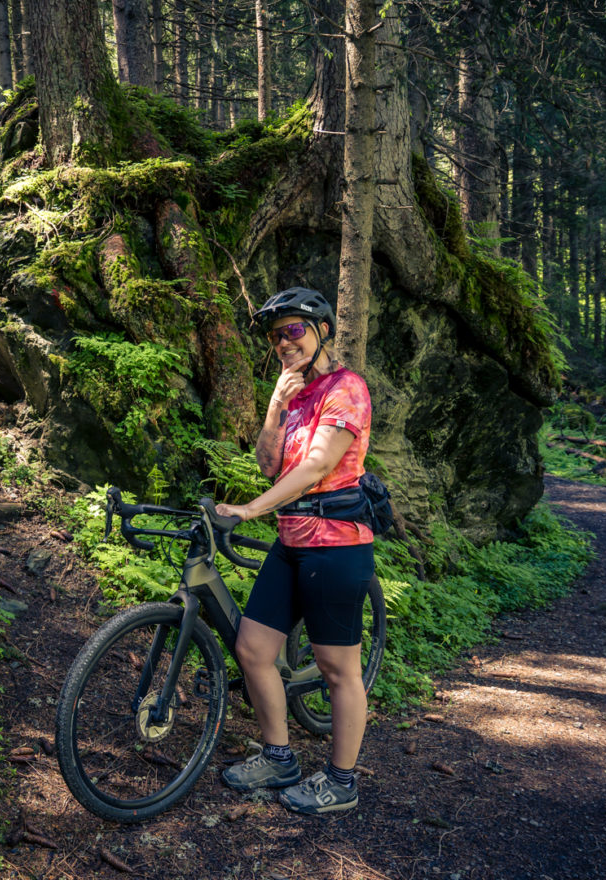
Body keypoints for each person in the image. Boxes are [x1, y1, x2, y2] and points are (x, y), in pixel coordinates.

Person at [211, 286, 375, 815]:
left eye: (294, 330)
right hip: (291, 543)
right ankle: (279, 756)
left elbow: (317, 466)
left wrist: (250, 510)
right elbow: (268, 463)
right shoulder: (297, 395)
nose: (284, 341)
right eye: (276, 334)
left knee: (336, 669)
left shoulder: (346, 389)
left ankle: (342, 781)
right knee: (255, 651)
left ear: (322, 330)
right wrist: (275, 405)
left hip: (335, 548)